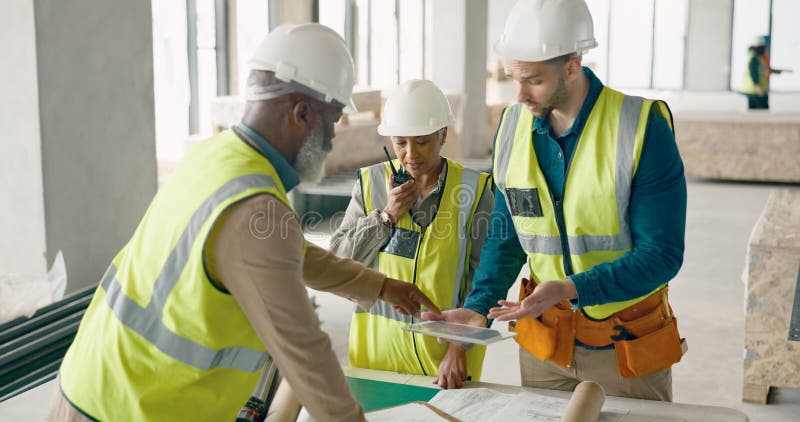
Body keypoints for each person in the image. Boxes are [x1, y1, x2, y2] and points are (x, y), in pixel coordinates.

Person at [48, 23, 439, 422]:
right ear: (302, 113)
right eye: (333, 119)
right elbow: (304, 353)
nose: (332, 138)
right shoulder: (255, 208)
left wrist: (381, 285)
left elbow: (292, 254)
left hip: (93, 386)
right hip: (135, 408)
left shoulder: (218, 157)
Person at [424, 0, 687, 401]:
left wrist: (569, 287)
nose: (520, 94)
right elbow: (507, 234)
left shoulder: (641, 127)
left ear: (572, 66)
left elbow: (662, 255)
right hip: (545, 346)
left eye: (533, 80)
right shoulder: (512, 127)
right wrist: (478, 306)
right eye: (514, 78)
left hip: (624, 346)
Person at [329, 79, 494, 390]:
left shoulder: (474, 191)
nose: (410, 154)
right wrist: (385, 216)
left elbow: (483, 277)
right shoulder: (370, 184)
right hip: (375, 357)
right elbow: (336, 261)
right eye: (400, 143)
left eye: (421, 141)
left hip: (445, 363)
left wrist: (460, 346)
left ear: (443, 134)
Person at [740, 35, 785, 110]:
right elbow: (754, 73)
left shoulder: (757, 57)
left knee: (754, 111)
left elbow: (763, 70)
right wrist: (758, 87)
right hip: (754, 89)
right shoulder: (755, 58)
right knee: (762, 110)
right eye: (764, 47)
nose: (766, 49)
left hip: (753, 89)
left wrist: (775, 71)